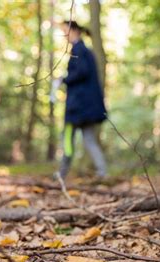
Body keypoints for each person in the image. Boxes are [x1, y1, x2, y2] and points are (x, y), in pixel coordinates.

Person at [54, 20, 107, 180]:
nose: (64, 35)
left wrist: (63, 79)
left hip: (78, 108)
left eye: (66, 31)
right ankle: (102, 172)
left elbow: (81, 73)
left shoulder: (79, 50)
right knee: (88, 140)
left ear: (75, 30)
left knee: (68, 138)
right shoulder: (84, 50)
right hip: (85, 107)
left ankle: (62, 173)